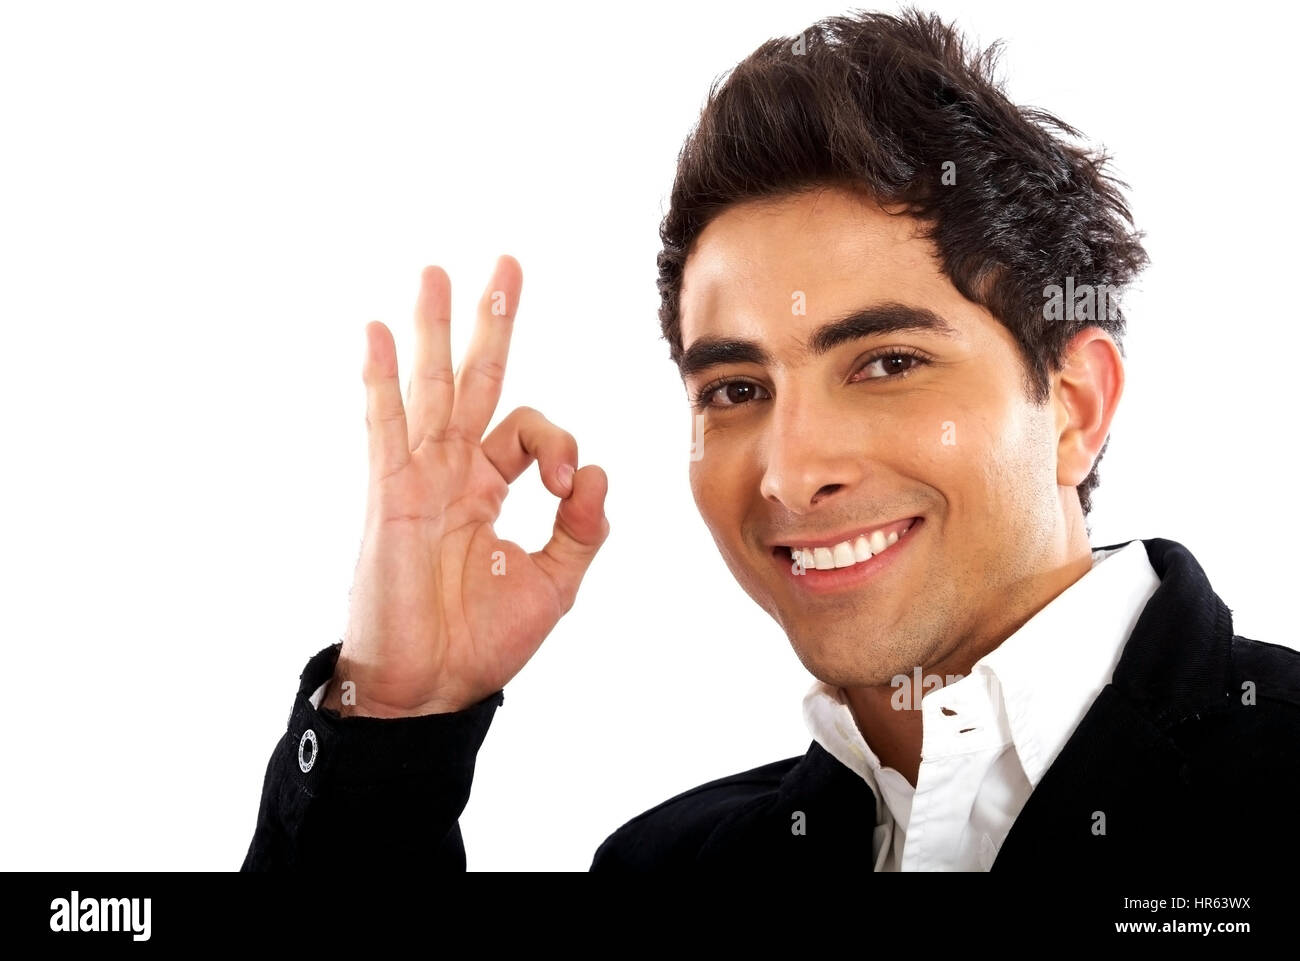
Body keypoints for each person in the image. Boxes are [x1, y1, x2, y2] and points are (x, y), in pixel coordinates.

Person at [241, 9, 1300, 872]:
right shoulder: (667, 870)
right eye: (737, 386)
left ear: (1073, 403)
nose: (792, 472)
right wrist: (392, 713)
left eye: (885, 363)